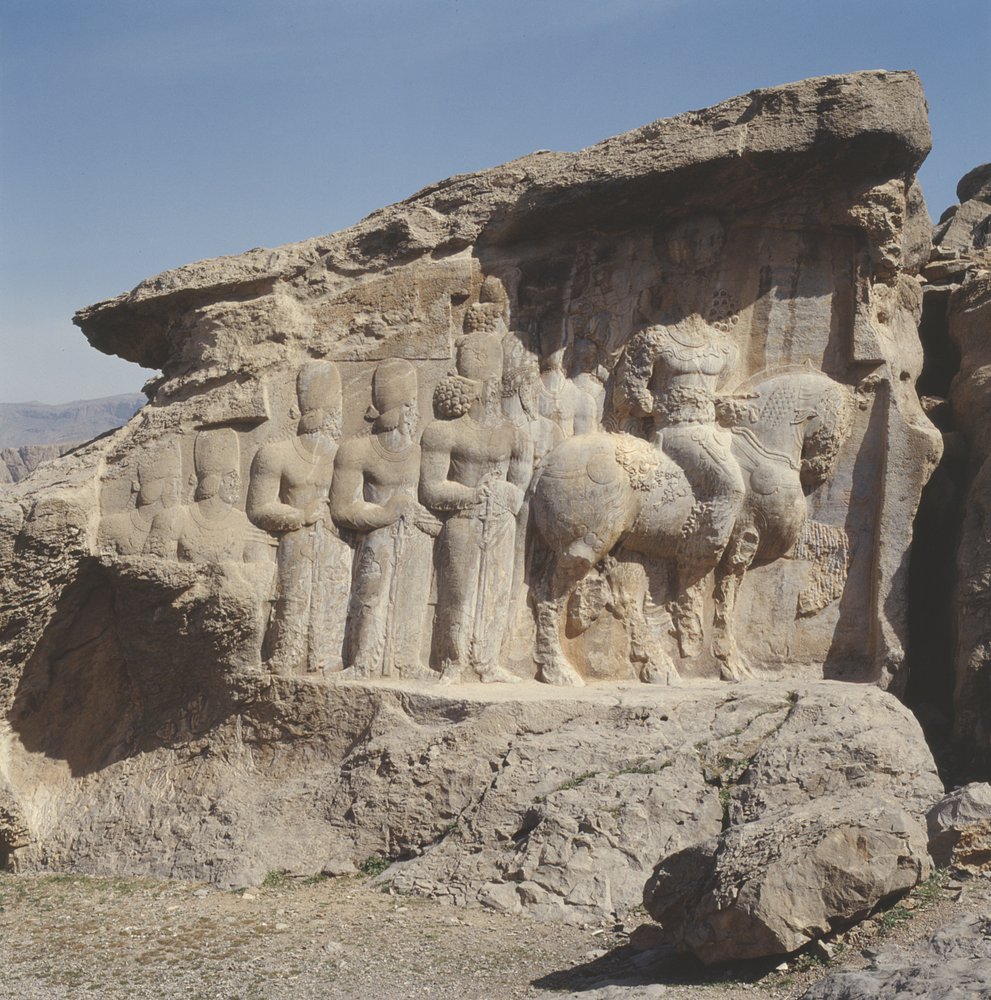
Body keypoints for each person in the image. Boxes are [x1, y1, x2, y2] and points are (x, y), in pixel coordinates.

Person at [419, 316, 532, 683]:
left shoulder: (515, 435)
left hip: (500, 523)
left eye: (478, 386)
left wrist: (501, 495)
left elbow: (520, 488)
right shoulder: (443, 432)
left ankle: (488, 662)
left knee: (496, 591)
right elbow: (431, 488)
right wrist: (470, 494)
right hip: (462, 520)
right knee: (457, 593)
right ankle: (453, 662)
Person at [330, 358, 440, 679]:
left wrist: (423, 519)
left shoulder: (421, 454)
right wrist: (385, 512)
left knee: (413, 597)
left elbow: (433, 502)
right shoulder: (357, 451)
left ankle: (408, 662)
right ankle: (362, 662)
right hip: (376, 539)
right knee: (371, 596)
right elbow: (342, 508)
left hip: (416, 539)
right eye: (409, 405)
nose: (413, 412)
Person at [247, 361, 350, 675]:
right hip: (295, 543)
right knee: (292, 603)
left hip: (338, 545)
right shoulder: (275, 453)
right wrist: (300, 515)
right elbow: (258, 508)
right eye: (336, 407)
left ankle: (328, 659)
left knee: (335, 607)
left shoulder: (346, 455)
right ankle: (286, 657)